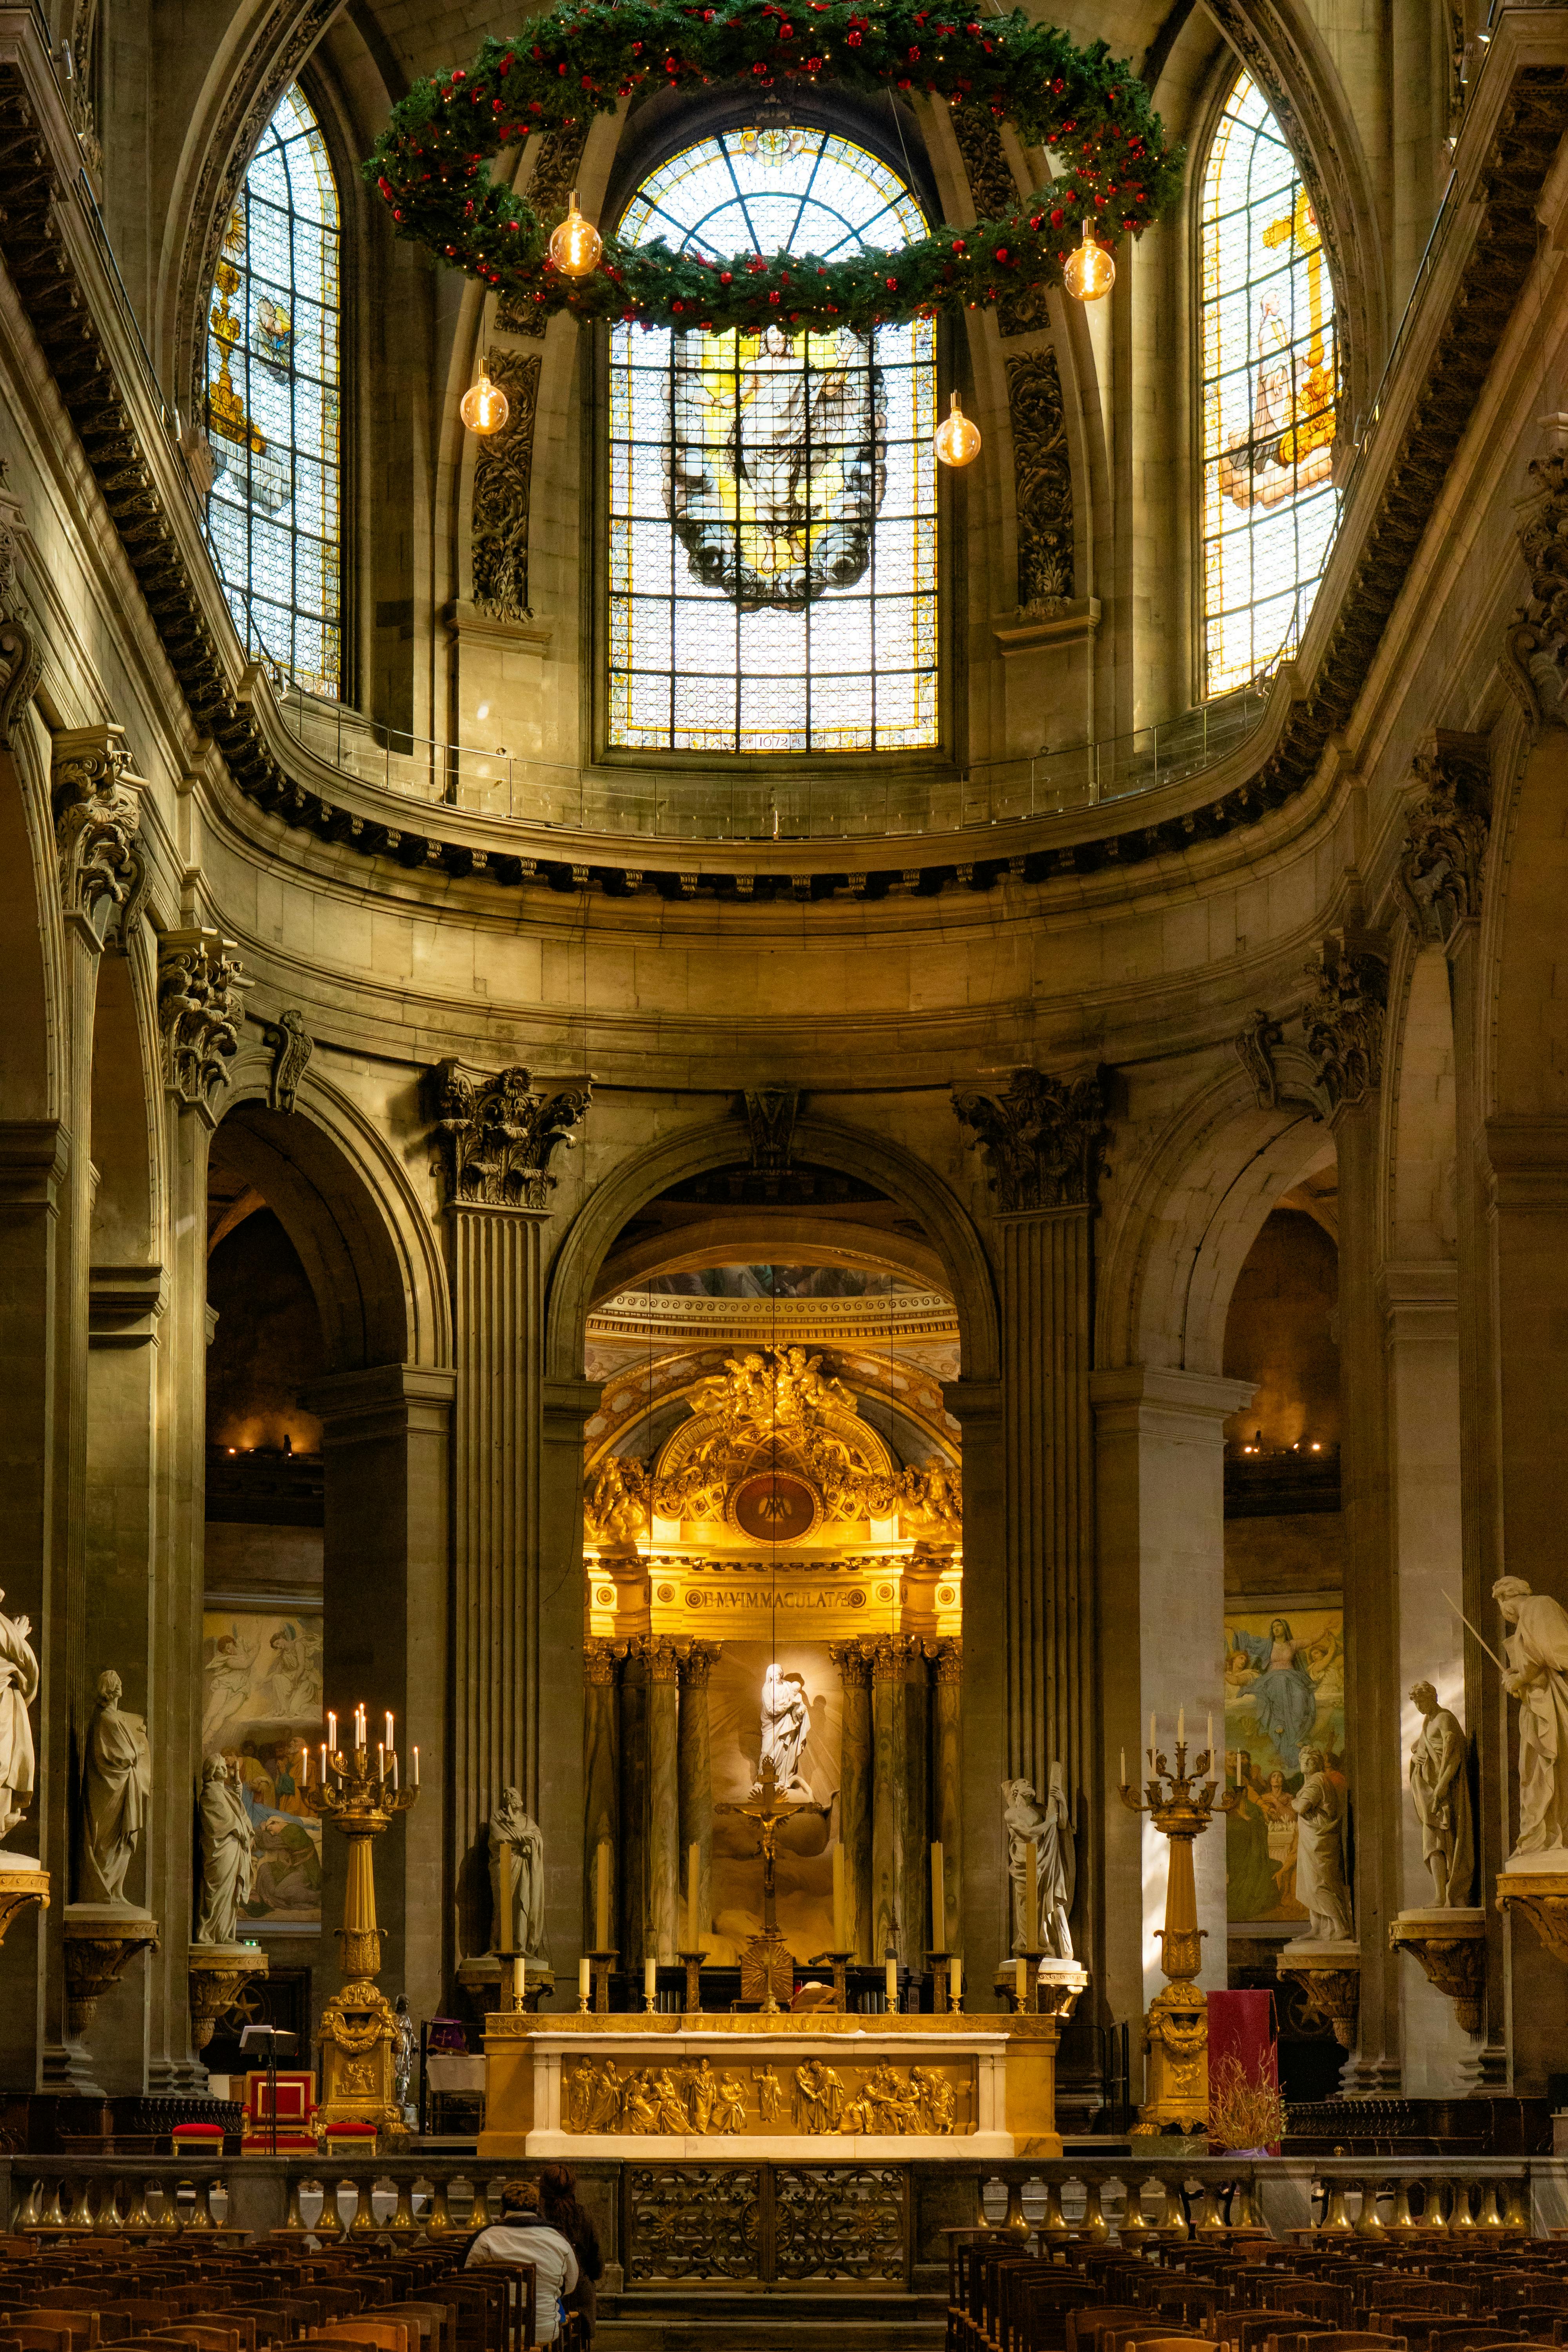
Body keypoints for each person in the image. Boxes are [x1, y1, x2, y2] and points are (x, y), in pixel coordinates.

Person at [466, 2178, 579, 2348]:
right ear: (537, 2209)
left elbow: (466, 2282)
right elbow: (571, 2285)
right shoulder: (558, 2238)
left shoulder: (485, 2238)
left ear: (503, 2209)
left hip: (497, 2330)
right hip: (544, 2329)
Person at [1227, 1619, 1320, 1775]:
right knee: (1279, 1686)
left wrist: (1325, 1630)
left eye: (1279, 1626)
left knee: (1300, 1695)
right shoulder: (1267, 1645)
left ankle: (1297, 1734)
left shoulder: (1292, 1645)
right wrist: (1234, 1627)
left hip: (1292, 1678)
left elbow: (1310, 1641)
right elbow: (1250, 1641)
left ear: (1285, 1628)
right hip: (1273, 1678)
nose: (1276, 1629)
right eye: (1274, 1627)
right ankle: (1278, 1723)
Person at [539, 2164, 603, 2347]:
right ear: (573, 2188)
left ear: (543, 2189)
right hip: (580, 2299)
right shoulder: (584, 2216)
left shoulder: (538, 2218)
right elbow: (597, 2263)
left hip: (547, 2298)